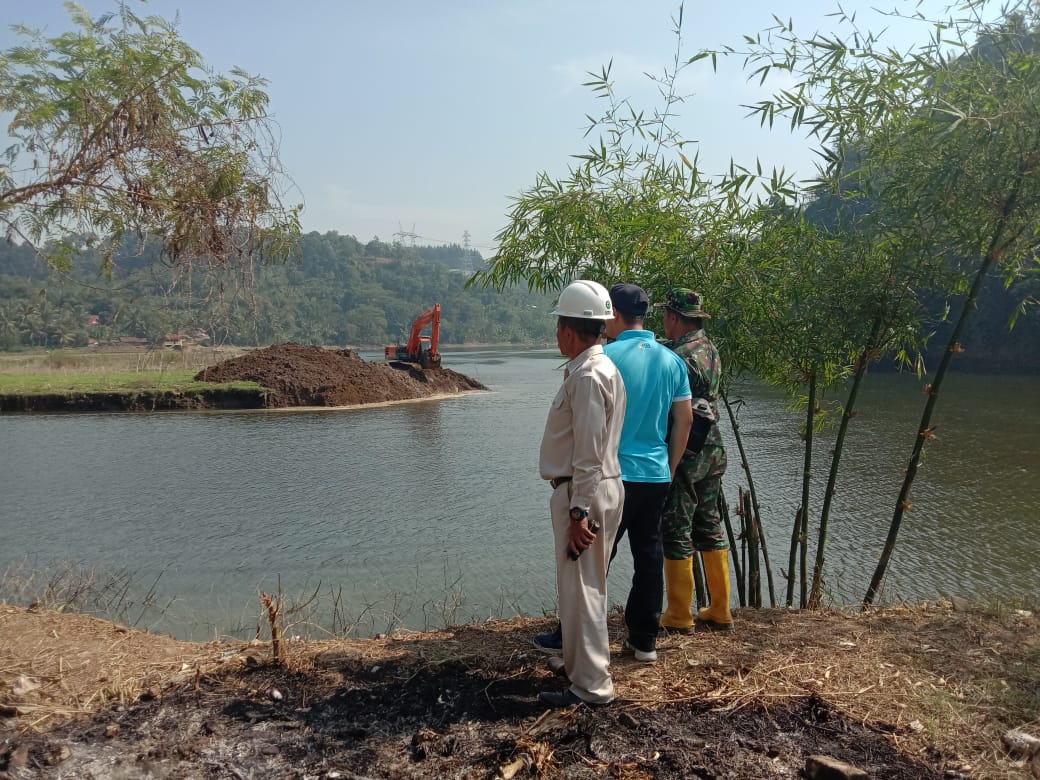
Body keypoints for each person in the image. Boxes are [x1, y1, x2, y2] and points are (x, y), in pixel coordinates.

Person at [537, 279, 626, 707]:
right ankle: (579, 671)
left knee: (585, 591)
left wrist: (578, 513)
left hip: (583, 491)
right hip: (591, 488)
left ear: (571, 330)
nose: (556, 334)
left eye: (558, 326)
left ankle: (592, 686)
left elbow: (588, 452)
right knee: (578, 588)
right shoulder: (599, 369)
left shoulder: (589, 376)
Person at [601, 283, 693, 662]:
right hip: (654, 475)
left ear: (613, 315)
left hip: (615, 474)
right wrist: (669, 469)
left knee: (596, 558)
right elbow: (684, 420)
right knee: (649, 557)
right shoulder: (672, 361)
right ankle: (644, 641)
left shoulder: (605, 357)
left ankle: (576, 635)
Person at [656, 288, 733, 633]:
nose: (663, 322)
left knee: (677, 527)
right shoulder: (710, 348)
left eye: (665, 316)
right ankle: (720, 609)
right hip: (713, 446)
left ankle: (678, 614)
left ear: (674, 317)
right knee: (709, 523)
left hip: (686, 448)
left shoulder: (676, 356)